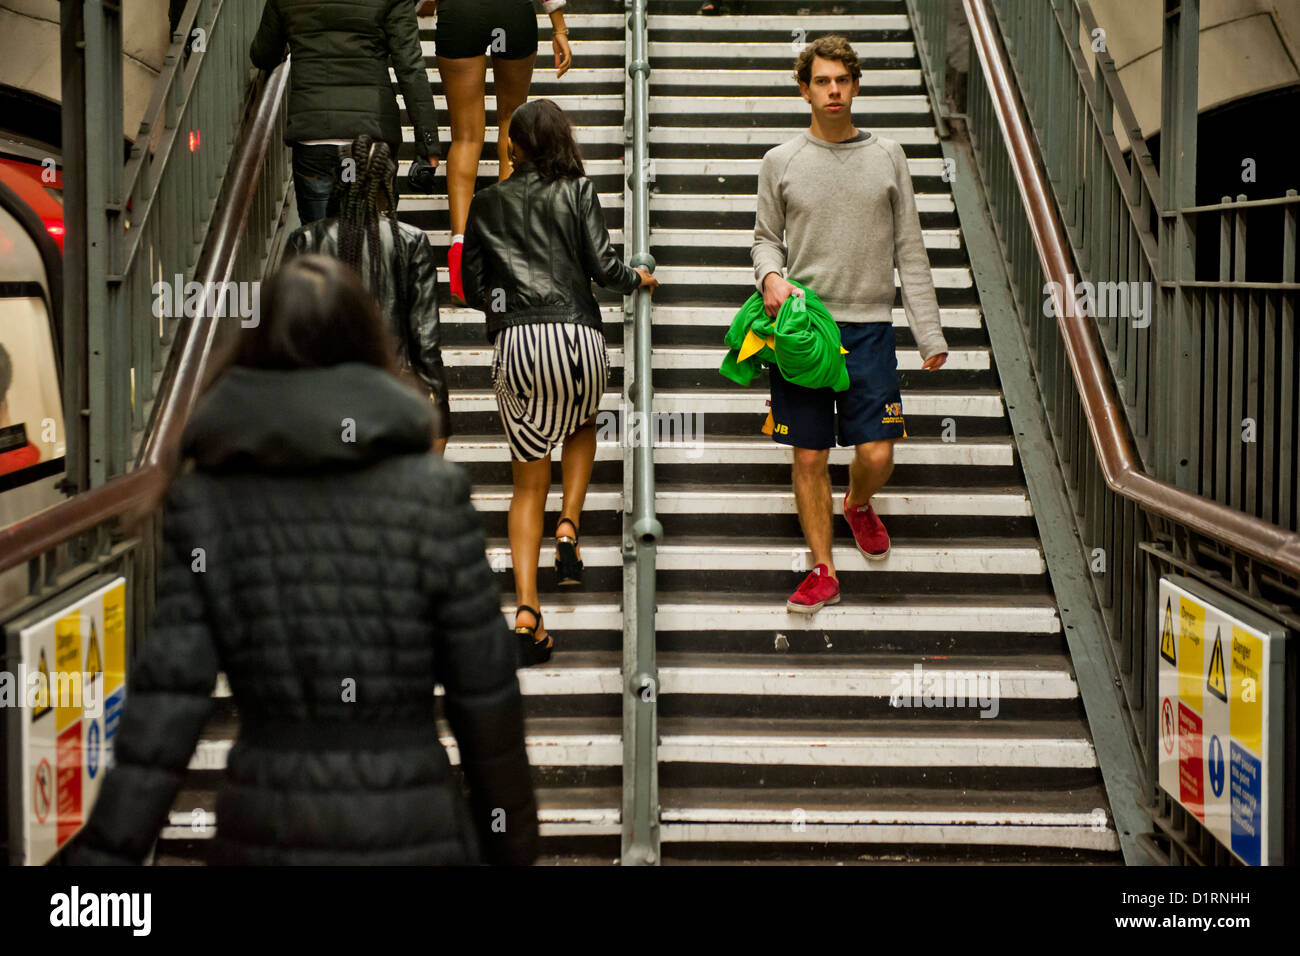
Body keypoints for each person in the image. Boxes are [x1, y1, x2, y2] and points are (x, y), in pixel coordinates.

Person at [69, 255, 537, 865]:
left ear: (256, 346)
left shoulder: (209, 499)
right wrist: (510, 846)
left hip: (266, 828)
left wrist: (105, 860)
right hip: (413, 826)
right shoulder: (432, 491)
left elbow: (168, 702)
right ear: (367, 343)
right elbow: (485, 696)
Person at [751, 35, 949, 614]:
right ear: (804, 89)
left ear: (856, 85)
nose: (832, 89)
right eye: (821, 80)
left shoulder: (888, 156)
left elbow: (909, 247)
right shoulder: (780, 162)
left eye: (842, 79)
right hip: (804, 330)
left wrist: (928, 332)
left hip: (869, 330)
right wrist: (770, 279)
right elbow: (765, 240)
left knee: (878, 453)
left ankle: (858, 503)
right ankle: (823, 568)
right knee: (809, 456)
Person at [462, 98, 657, 665]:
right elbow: (603, 268)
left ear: (513, 146)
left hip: (518, 345)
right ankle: (569, 525)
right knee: (582, 422)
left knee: (526, 486)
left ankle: (526, 612)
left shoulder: (487, 200)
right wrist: (637, 277)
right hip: (576, 338)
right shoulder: (578, 191)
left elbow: (473, 289)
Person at [284, 136, 452, 452]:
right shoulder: (410, 241)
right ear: (388, 182)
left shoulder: (306, 240)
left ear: (339, 179)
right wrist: (440, 417)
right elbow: (425, 339)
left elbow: (288, 334)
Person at [250, 0, 443, 226]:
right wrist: (428, 145)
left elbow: (263, 54)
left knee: (320, 245)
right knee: (373, 247)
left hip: (314, 137)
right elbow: (410, 68)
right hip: (371, 138)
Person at [434, 0, 574, 304]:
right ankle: (502, 250)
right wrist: (559, 27)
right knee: (511, 123)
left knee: (465, 137)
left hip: (460, 13)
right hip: (512, 12)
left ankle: (460, 260)